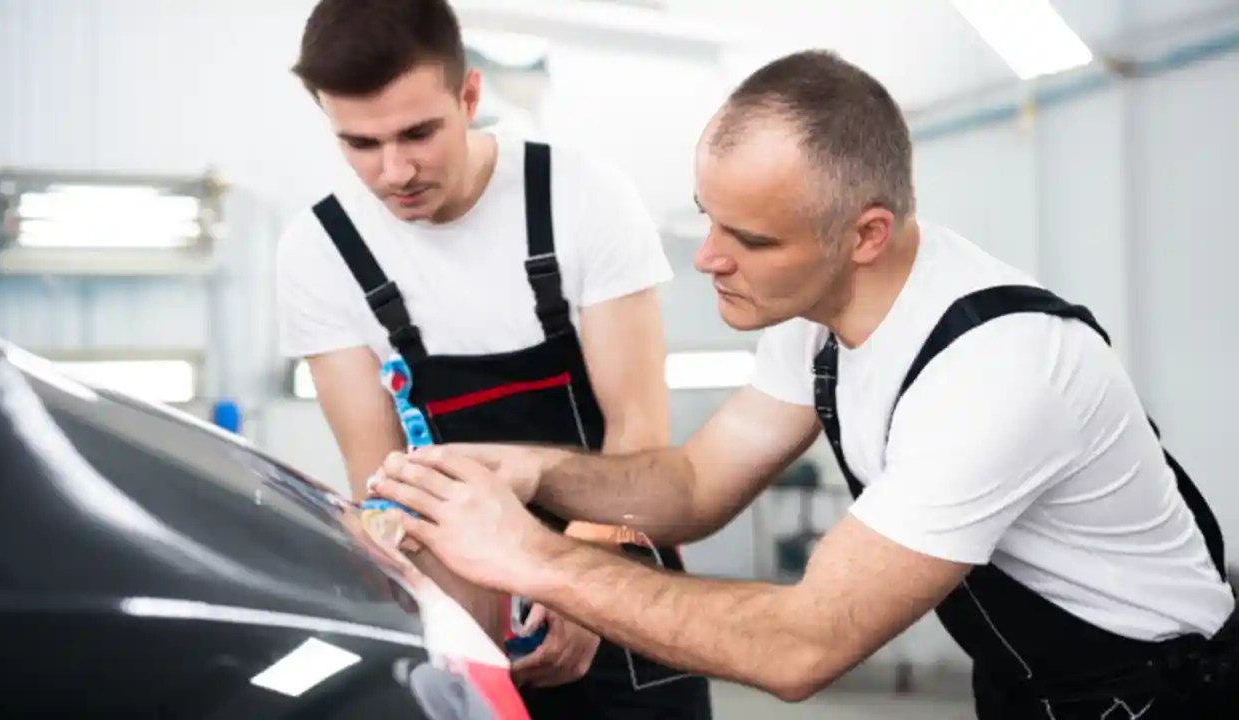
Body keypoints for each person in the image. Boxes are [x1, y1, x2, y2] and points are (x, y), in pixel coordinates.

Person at [370, 49, 1239, 718]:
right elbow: (693, 488)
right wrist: (533, 470)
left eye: (750, 239)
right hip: (1028, 689)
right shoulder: (818, 317)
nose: (708, 258)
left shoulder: (997, 371)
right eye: (708, 220)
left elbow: (801, 646)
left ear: (865, 234)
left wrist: (531, 556)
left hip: (1166, 696)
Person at [273, 1, 712, 718]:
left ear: (470, 95)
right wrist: (454, 624)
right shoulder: (319, 252)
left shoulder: (581, 196)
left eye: (419, 133)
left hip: (623, 586)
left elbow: (639, 435)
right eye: (360, 143)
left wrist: (582, 586)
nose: (395, 171)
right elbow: (381, 478)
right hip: (465, 614)